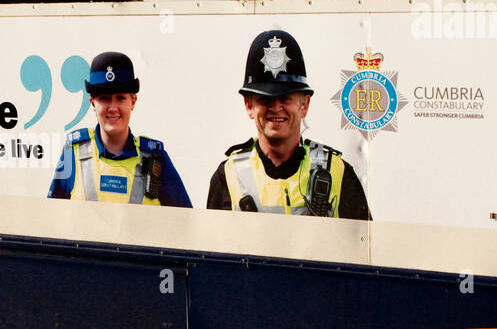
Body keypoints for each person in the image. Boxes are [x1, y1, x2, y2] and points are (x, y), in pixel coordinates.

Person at [207, 30, 370, 219]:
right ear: (249, 106)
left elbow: (363, 238)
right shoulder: (228, 176)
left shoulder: (337, 173)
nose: (276, 108)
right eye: (265, 99)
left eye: (285, 98)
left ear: (304, 105)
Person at [48, 51, 191, 207]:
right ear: (93, 103)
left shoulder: (156, 158)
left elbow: (185, 218)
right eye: (104, 98)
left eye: (121, 98)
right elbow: (51, 217)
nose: (113, 108)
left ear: (133, 102)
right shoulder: (73, 153)